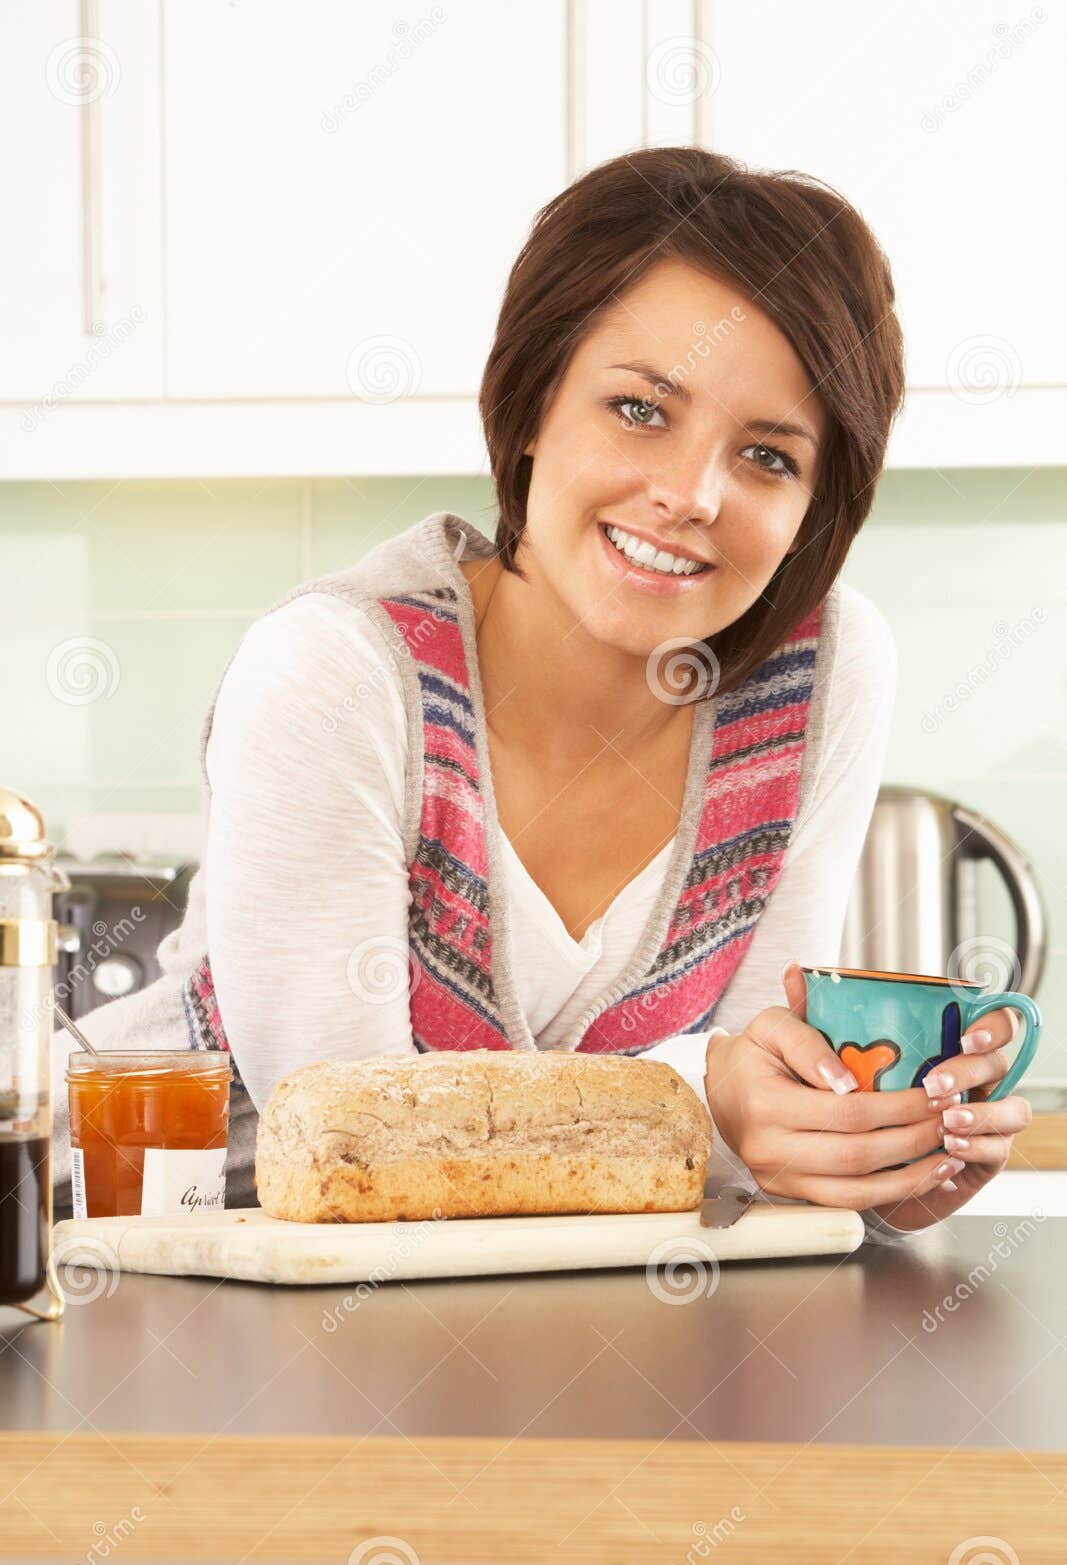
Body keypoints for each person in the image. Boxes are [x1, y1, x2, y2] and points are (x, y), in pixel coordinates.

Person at [50, 146, 1031, 1235]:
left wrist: (865, 1151)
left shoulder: (819, 679)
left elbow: (750, 1143)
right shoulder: (337, 673)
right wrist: (707, 1099)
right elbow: (354, 1148)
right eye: (640, 410)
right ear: (530, 405)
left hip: (547, 1336)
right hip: (138, 1272)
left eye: (765, 456)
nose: (689, 494)